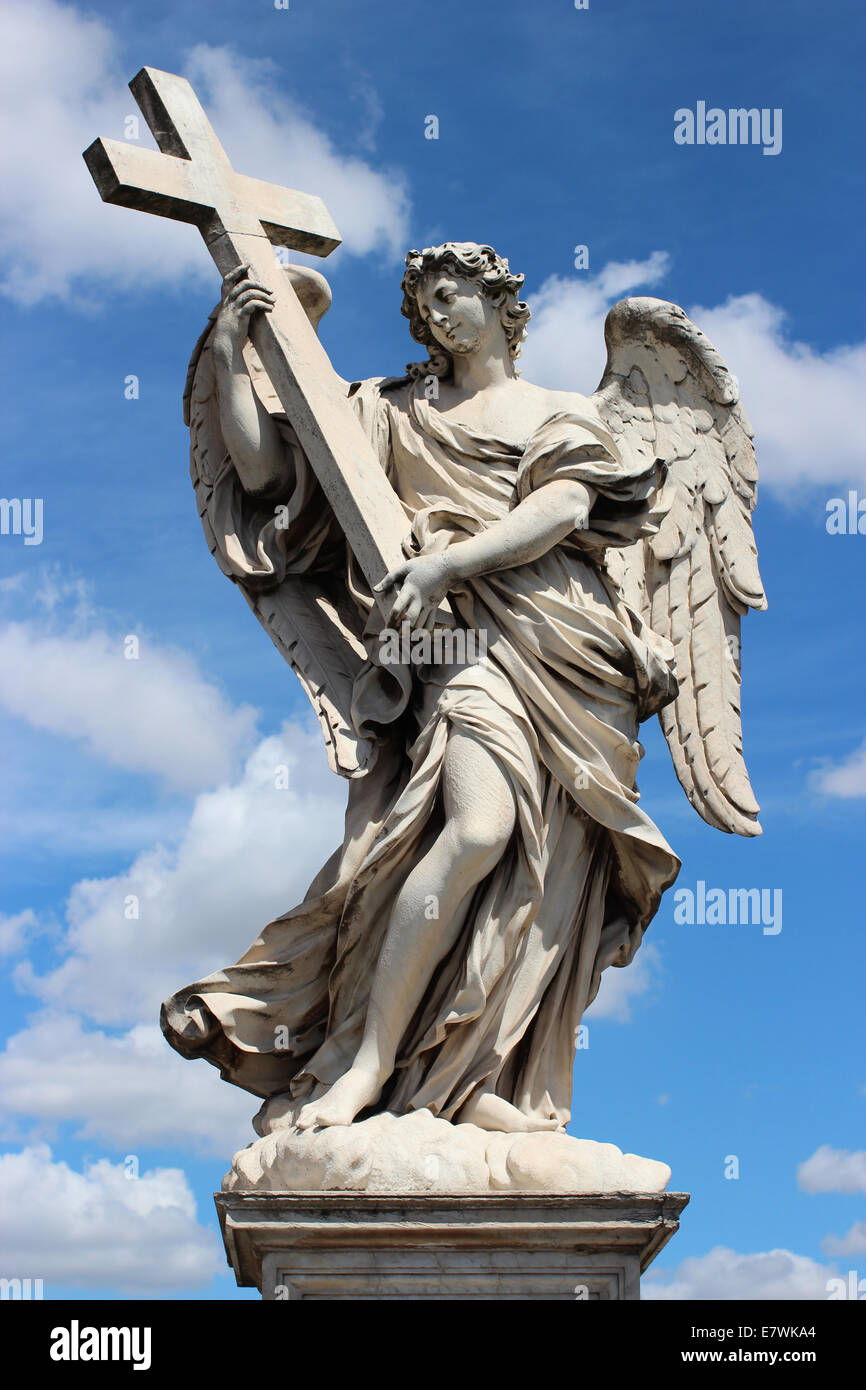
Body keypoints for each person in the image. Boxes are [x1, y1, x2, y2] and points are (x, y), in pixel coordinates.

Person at [161, 242, 681, 1134]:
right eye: (423, 304)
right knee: (480, 826)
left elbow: (563, 509)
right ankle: (367, 1064)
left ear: (501, 301)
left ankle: (475, 1073)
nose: (437, 314)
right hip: (458, 642)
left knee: (547, 867)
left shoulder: (562, 411)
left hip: (575, 647)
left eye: (453, 295)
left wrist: (450, 559)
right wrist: (228, 355)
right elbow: (267, 479)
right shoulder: (392, 415)